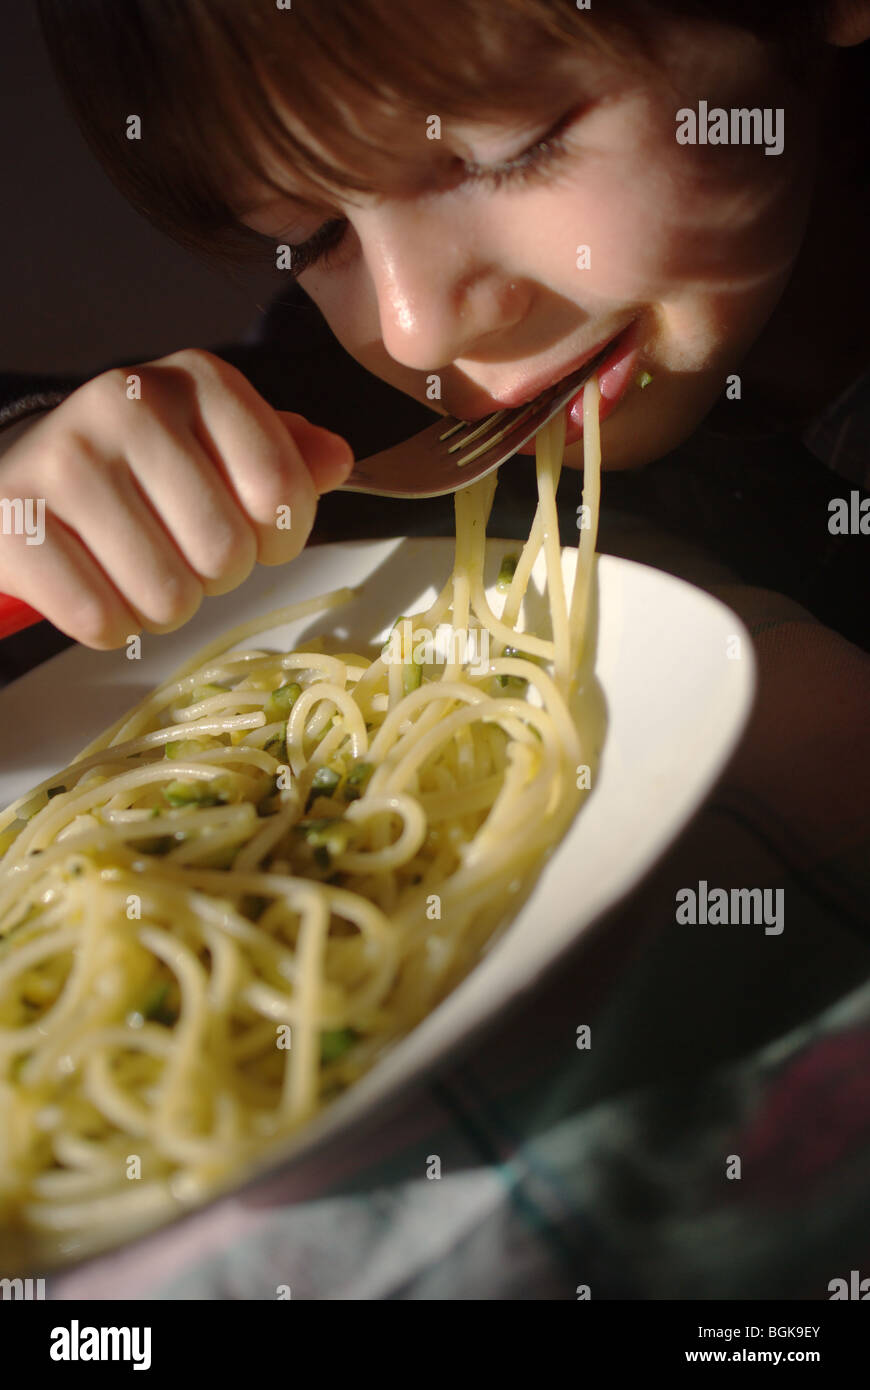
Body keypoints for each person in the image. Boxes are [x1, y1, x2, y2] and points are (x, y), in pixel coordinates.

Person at [1, 0, 868, 1299]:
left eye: (503, 151)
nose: (411, 326)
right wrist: (43, 478)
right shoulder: (384, 389)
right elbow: (181, 439)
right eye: (314, 234)